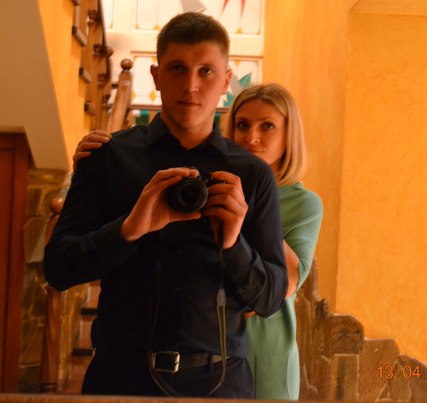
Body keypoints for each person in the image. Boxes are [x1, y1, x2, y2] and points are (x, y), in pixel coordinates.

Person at [44, 12, 288, 399]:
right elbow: (58, 269)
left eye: (206, 71)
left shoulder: (252, 175)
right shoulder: (108, 157)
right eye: (177, 69)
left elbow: (271, 299)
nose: (191, 85)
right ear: (156, 76)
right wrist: (129, 230)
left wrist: (233, 243)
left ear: (226, 80)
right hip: (120, 379)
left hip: (220, 382)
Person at [74, 83, 323, 400]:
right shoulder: (204, 182)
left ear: (289, 135)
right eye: (243, 125)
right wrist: (95, 172)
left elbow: (288, 282)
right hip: (204, 345)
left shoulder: (304, 203)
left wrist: (245, 209)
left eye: (268, 126)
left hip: (264, 343)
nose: (252, 137)